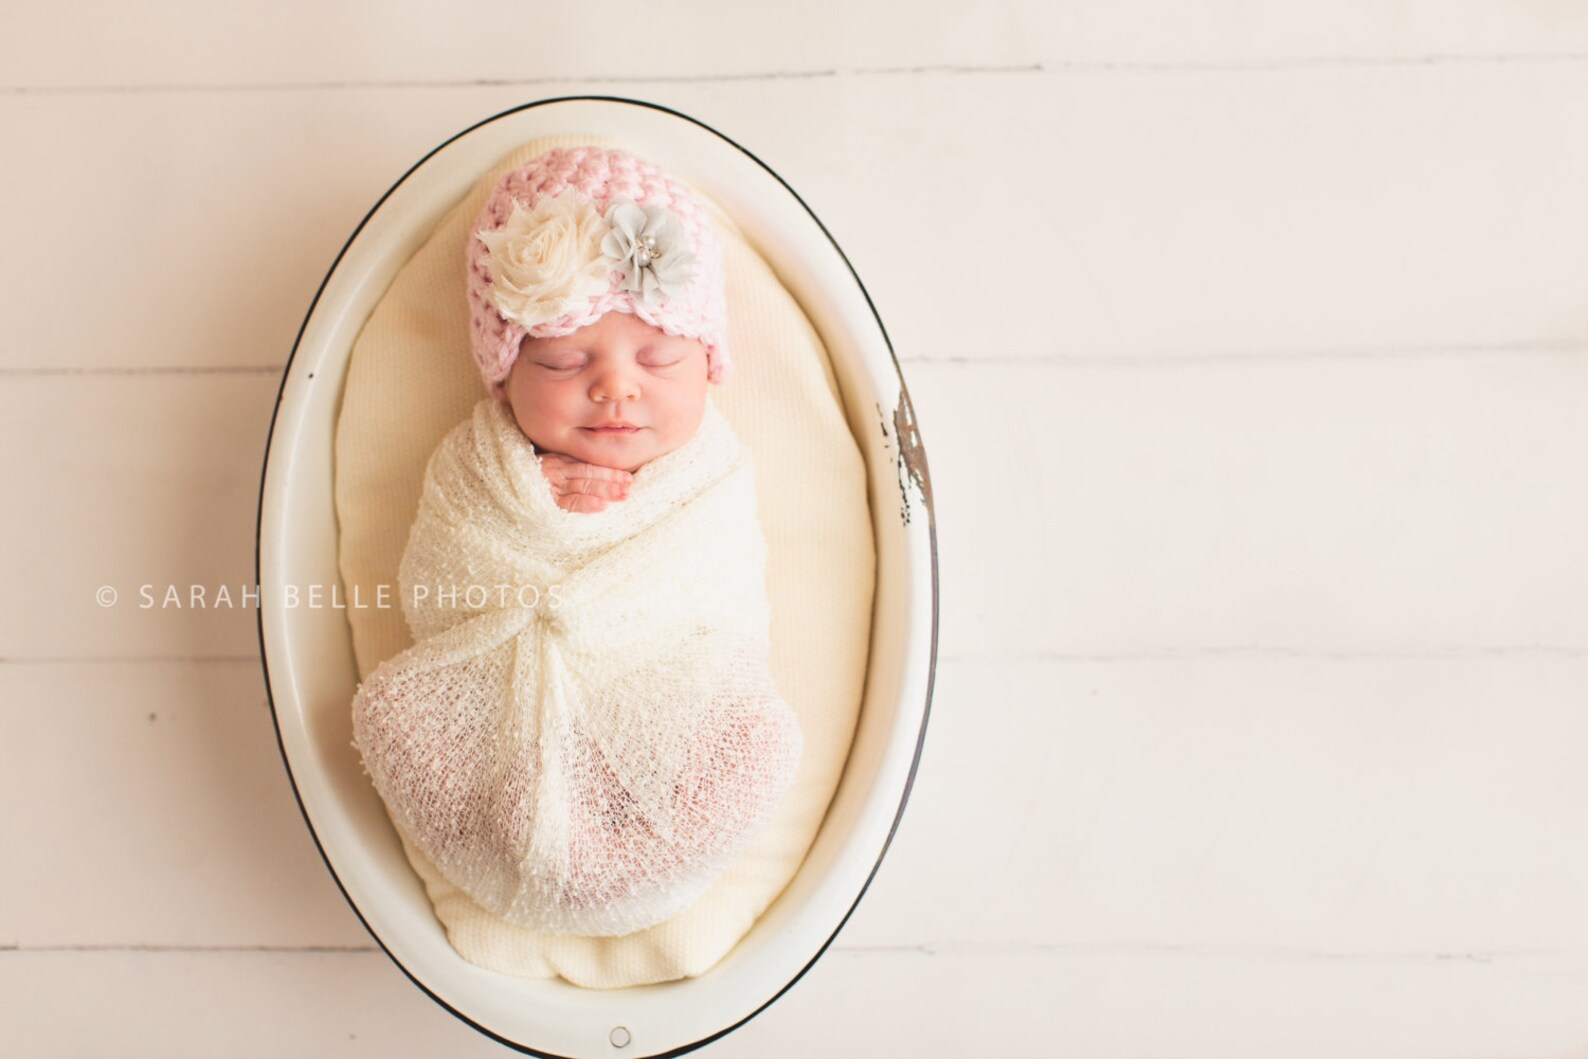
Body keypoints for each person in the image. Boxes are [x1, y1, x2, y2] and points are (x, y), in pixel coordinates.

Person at [351, 145, 802, 939]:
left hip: (672, 700)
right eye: (563, 361)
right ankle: (521, 829)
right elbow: (436, 581)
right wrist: (540, 512)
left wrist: (603, 593)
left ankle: (631, 861)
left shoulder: (712, 474)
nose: (617, 387)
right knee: (391, 719)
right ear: (504, 374)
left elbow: (724, 596)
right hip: (502, 715)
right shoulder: (479, 467)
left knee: (761, 743)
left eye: (658, 357)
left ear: (707, 364)